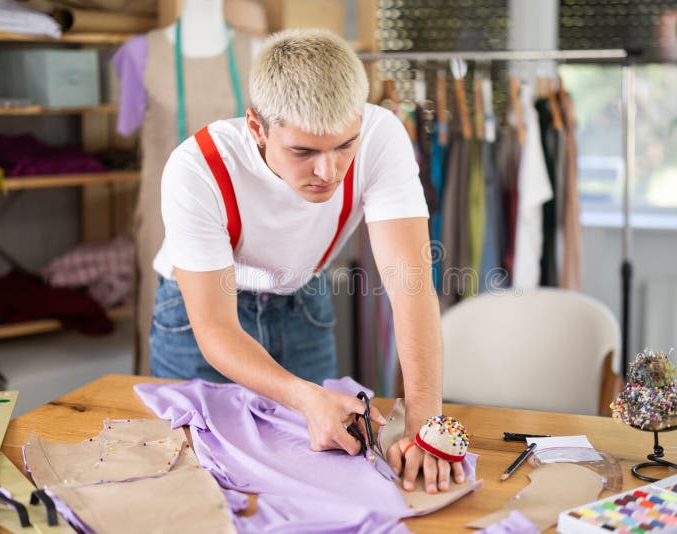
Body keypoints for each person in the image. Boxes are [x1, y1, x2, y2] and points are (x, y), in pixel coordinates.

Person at [149, 28, 462, 493]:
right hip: (198, 318)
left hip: (302, 300)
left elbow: (411, 286)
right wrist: (303, 397)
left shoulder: (380, 136)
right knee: (194, 483)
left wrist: (425, 420)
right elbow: (215, 328)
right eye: (303, 151)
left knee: (323, 474)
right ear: (257, 127)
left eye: (344, 146)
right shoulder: (196, 169)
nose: (328, 172)